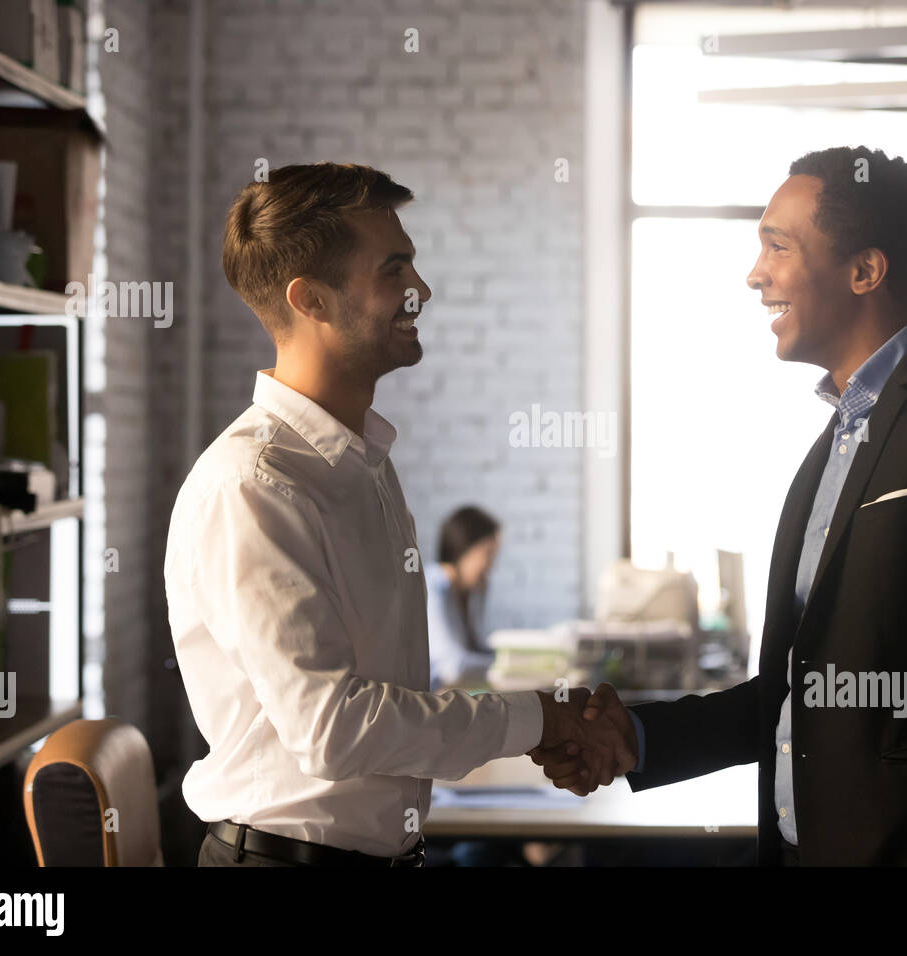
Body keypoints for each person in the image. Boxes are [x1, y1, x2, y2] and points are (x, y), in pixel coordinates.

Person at [532, 146, 907, 866]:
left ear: (864, 271)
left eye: (777, 246)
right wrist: (637, 739)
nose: (755, 274)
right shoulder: (838, 442)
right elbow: (802, 697)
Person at [163, 162, 633, 867]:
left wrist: (543, 721)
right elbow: (332, 728)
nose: (422, 290)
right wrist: (539, 719)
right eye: (394, 270)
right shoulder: (254, 484)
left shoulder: (361, 465)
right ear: (311, 299)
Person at [428, 506, 500, 691]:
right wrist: (507, 669)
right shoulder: (432, 586)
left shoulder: (466, 592)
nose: (490, 566)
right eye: (488, 553)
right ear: (463, 547)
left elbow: (474, 651)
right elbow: (451, 668)